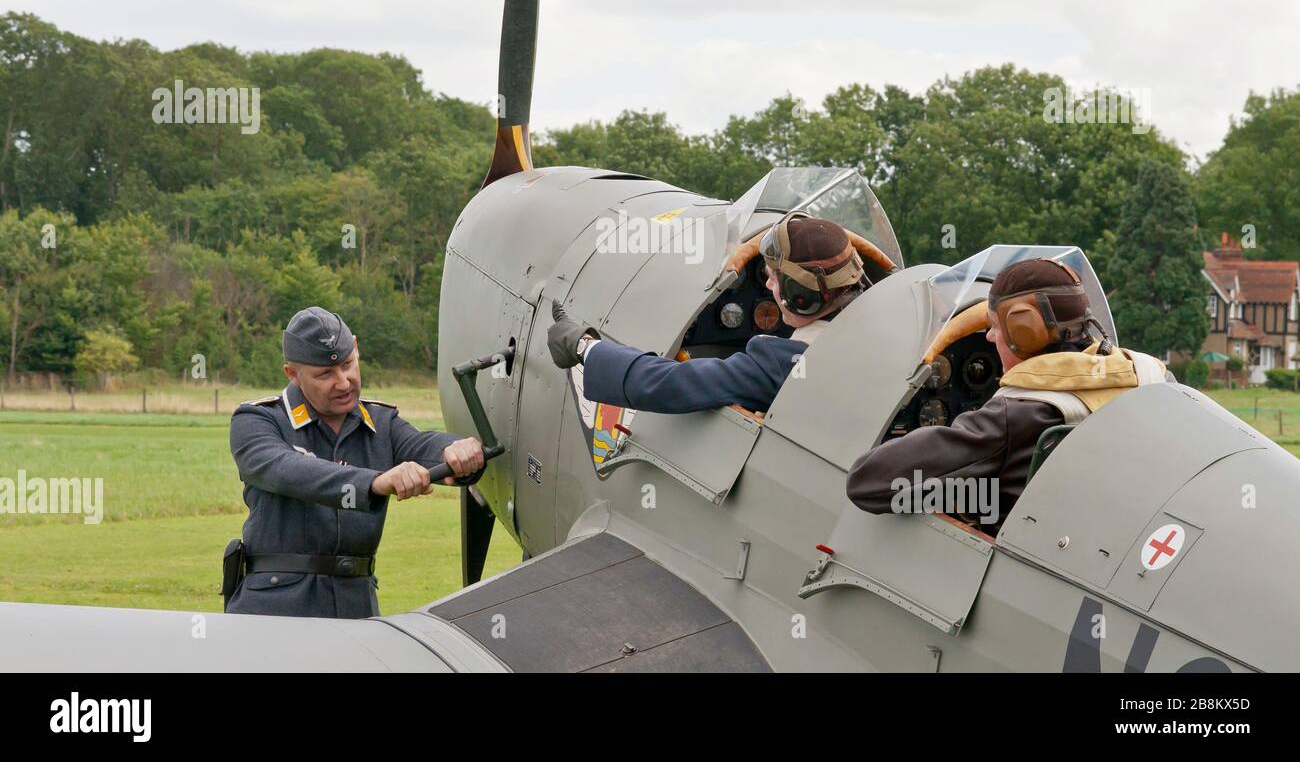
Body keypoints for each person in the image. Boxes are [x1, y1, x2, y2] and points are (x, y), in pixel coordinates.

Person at [846, 257, 1169, 534]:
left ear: (1023, 334)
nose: (988, 337)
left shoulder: (1013, 417)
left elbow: (866, 482)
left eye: (996, 328)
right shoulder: (1153, 379)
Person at [224, 306, 485, 618]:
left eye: (348, 365)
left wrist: (458, 449)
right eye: (325, 374)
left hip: (356, 606)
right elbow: (286, 470)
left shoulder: (381, 422)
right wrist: (374, 483)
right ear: (293, 374)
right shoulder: (257, 420)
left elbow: (424, 445)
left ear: (356, 348)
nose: (344, 382)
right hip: (274, 609)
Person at [547, 211, 868, 414]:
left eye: (773, 276)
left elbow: (668, 384)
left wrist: (585, 346)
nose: (768, 283)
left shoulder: (781, 365)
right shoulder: (892, 336)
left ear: (801, 297)